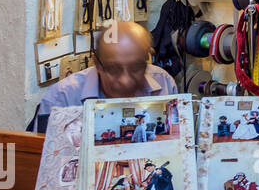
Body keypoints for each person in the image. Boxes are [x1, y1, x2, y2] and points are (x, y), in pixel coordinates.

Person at [28, 21, 178, 133]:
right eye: (113, 69)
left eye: (136, 68)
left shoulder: (164, 83)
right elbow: (42, 165)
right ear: (97, 64)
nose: (125, 80)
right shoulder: (63, 97)